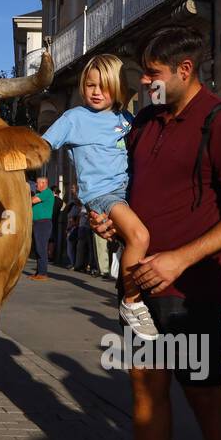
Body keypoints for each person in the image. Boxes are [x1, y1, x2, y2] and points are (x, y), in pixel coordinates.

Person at [90, 25, 221, 440]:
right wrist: (108, 218)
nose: (144, 81)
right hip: (139, 287)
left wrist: (179, 259)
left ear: (185, 70)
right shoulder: (146, 120)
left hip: (190, 289)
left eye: (154, 73)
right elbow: (133, 192)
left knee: (206, 398)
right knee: (146, 391)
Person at [42, 54, 153, 335]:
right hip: (103, 194)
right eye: (90, 85)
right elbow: (42, 146)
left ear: (117, 87)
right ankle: (131, 302)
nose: (95, 92)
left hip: (130, 192)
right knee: (140, 237)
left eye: (103, 86)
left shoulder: (125, 118)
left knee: (134, 241)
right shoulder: (74, 118)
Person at [29, 176, 55, 280]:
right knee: (38, 248)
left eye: (37, 183)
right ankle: (38, 272)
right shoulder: (40, 193)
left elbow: (33, 201)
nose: (36, 185)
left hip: (43, 223)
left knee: (41, 248)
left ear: (44, 183)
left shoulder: (47, 192)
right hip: (37, 223)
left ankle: (43, 273)